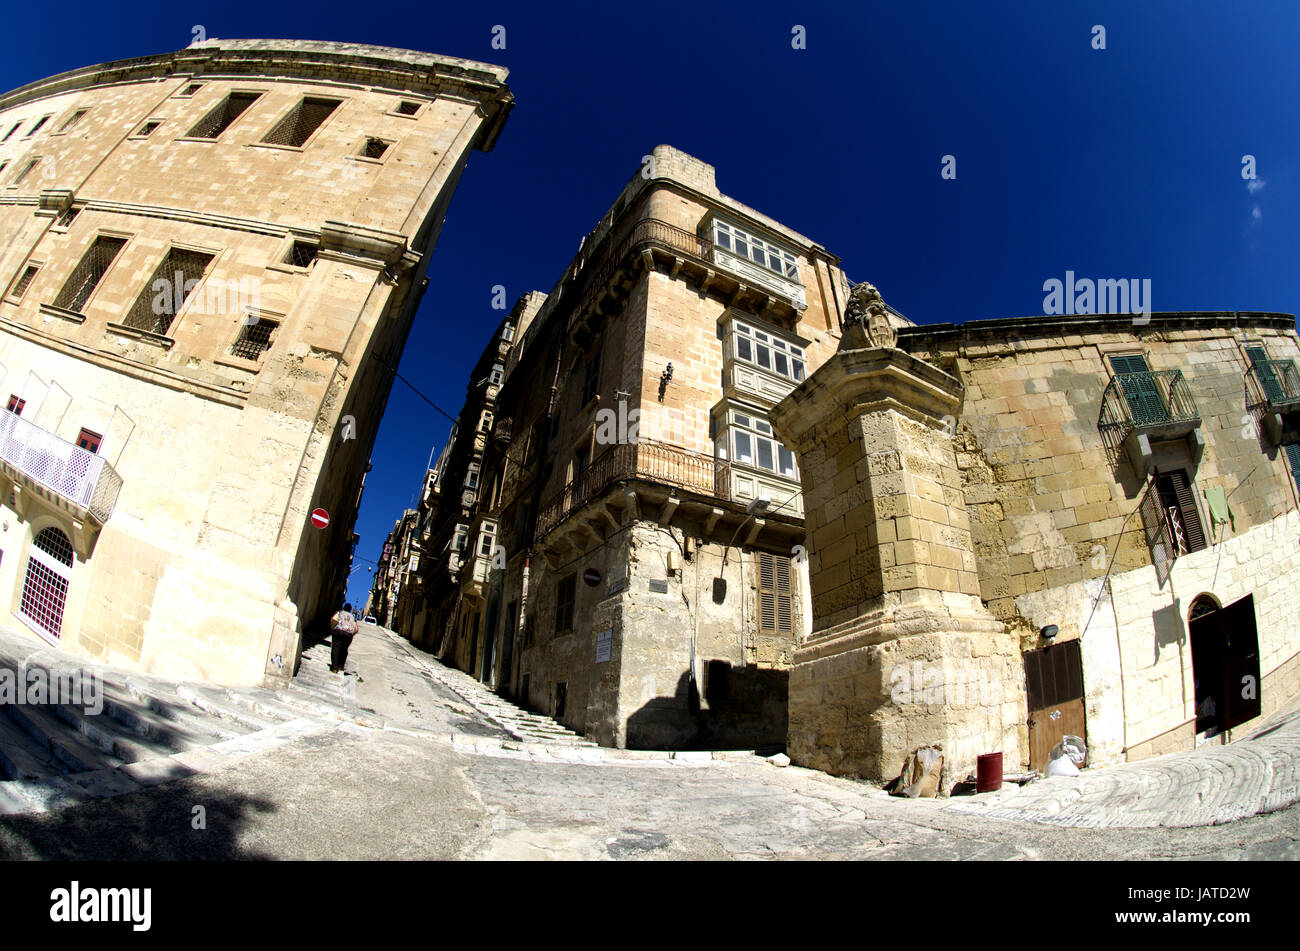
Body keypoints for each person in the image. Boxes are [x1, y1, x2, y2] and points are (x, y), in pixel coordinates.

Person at [329, 602, 358, 674]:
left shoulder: (340, 613)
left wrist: (332, 629)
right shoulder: (352, 617)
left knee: (336, 649)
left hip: (339, 631)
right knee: (344, 650)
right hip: (348, 635)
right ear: (350, 610)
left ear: (344, 608)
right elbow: (356, 629)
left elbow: (333, 619)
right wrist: (351, 634)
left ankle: (335, 668)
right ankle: (341, 666)